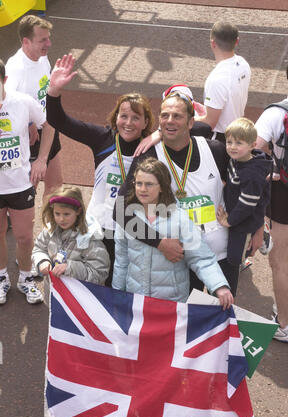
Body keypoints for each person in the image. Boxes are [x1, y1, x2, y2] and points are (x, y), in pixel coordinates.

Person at [46, 54, 186, 285]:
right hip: (97, 228)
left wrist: (160, 133)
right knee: (89, 282)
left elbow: (200, 129)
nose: (128, 123)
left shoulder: (153, 147)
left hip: (131, 232)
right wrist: (54, 91)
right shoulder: (103, 138)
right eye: (123, 116)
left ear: (145, 122)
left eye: (135, 118)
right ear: (116, 117)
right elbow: (58, 120)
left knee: (121, 284)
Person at [116, 91, 242, 297]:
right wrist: (159, 242)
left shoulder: (215, 149)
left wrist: (255, 228)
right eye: (164, 116)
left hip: (223, 252)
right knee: (187, 322)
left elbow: (247, 183)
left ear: (191, 122)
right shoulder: (149, 156)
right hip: (180, 256)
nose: (169, 121)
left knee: (220, 316)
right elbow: (120, 212)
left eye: (177, 116)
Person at [113, 157, 233, 308]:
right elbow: (121, 261)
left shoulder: (180, 219)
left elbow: (201, 258)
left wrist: (219, 286)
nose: (142, 189)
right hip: (136, 300)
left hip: (171, 304)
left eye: (149, 184)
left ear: (162, 187)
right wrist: (117, 294)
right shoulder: (128, 218)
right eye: (139, 183)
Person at [0, 59, 53, 305]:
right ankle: (2, 279)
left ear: (5, 81)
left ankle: (24, 278)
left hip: (20, 184)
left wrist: (41, 160)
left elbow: (48, 125)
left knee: (24, 236)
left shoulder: (21, 102)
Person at [255, 56, 288, 343]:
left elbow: (255, 154)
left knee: (279, 260)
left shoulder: (274, 114)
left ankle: (283, 324)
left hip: (285, 195)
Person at [5, 14, 63, 198]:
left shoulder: (42, 57)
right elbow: (6, 104)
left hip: (48, 127)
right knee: (28, 190)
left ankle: (50, 224)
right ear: (26, 42)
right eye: (42, 40)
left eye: (49, 38)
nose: (48, 44)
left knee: (56, 184)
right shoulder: (15, 69)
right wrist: (29, 123)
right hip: (30, 136)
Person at [32, 186, 110, 304]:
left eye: (66, 214)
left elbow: (99, 272)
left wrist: (69, 268)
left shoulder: (90, 237)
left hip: (79, 300)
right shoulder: (50, 229)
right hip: (54, 292)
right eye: (57, 213)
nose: (61, 219)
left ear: (78, 211)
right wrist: (42, 261)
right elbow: (39, 248)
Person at [216, 117, 272, 266]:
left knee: (235, 259)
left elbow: (247, 203)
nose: (232, 147)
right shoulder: (237, 158)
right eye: (229, 142)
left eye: (239, 143)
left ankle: (258, 235)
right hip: (236, 211)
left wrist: (230, 221)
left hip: (245, 219)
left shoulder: (252, 173)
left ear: (253, 145)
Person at [195, 21, 251, 144]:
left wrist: (188, 119)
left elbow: (210, 122)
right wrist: (206, 109)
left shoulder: (216, 79)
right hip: (238, 132)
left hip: (220, 140)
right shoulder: (243, 64)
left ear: (213, 43)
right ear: (236, 41)